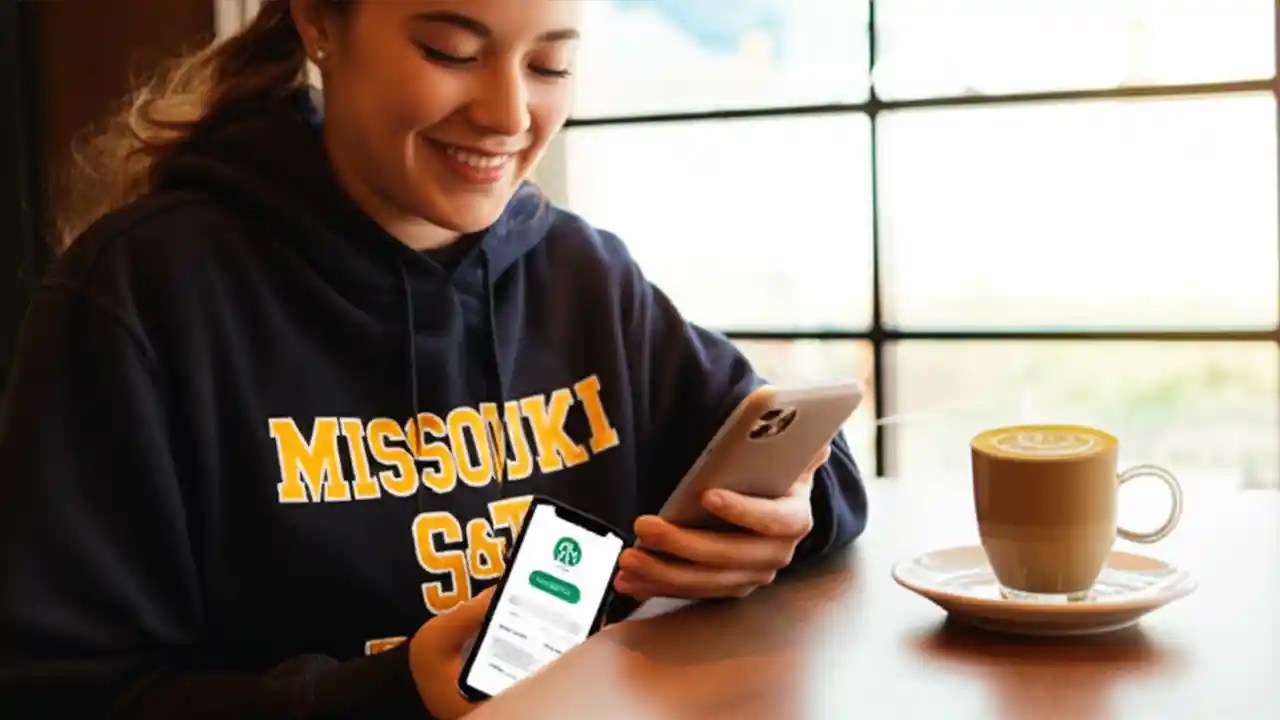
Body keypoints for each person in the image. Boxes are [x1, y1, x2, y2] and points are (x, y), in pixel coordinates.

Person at [0, 1, 868, 717]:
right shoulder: (142, 297)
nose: (509, 115)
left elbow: (805, 468)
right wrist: (390, 695)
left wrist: (784, 521)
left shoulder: (582, 275)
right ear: (318, 24)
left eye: (550, 67)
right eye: (450, 51)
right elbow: (61, 694)